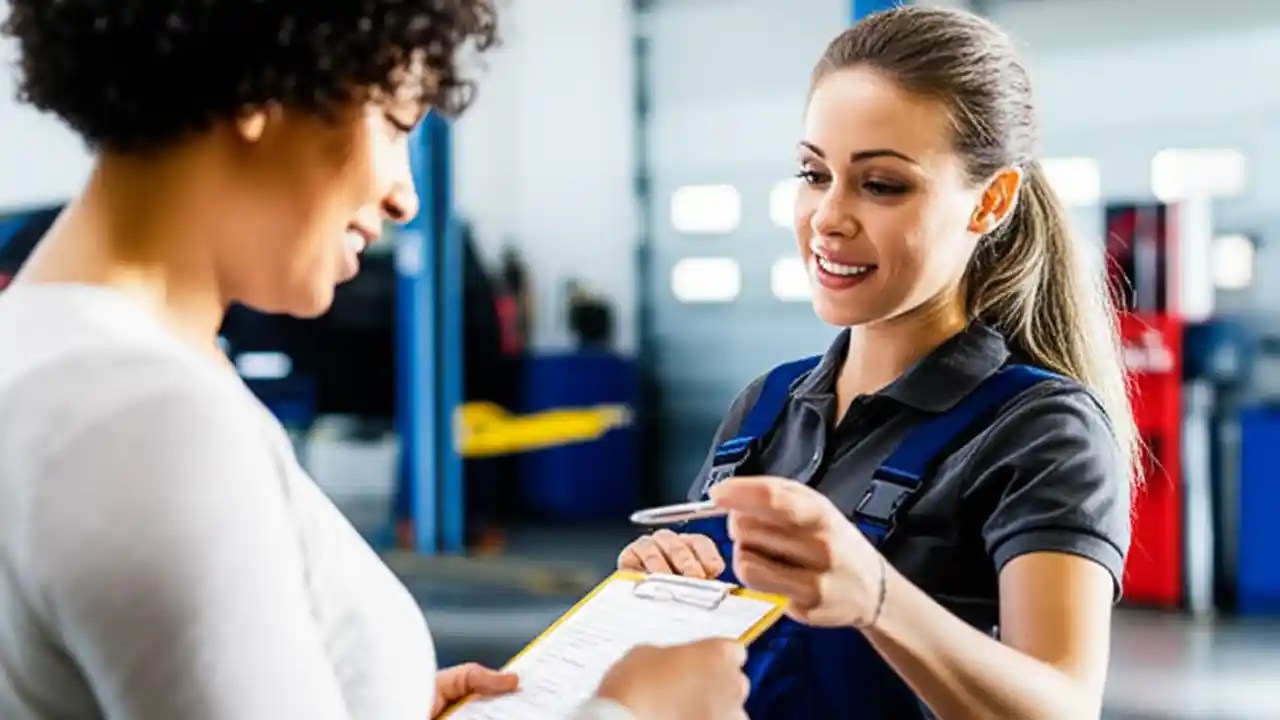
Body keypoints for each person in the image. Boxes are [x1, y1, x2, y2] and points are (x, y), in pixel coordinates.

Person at [0, 3, 750, 719]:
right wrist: (636, 712)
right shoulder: (143, 416)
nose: (405, 198)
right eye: (394, 126)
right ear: (267, 83)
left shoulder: (62, 352)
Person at [619, 7, 1134, 719]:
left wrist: (879, 599)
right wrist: (661, 597)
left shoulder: (1044, 433)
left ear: (991, 200)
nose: (828, 216)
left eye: (882, 184)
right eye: (813, 173)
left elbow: (1064, 706)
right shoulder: (765, 408)